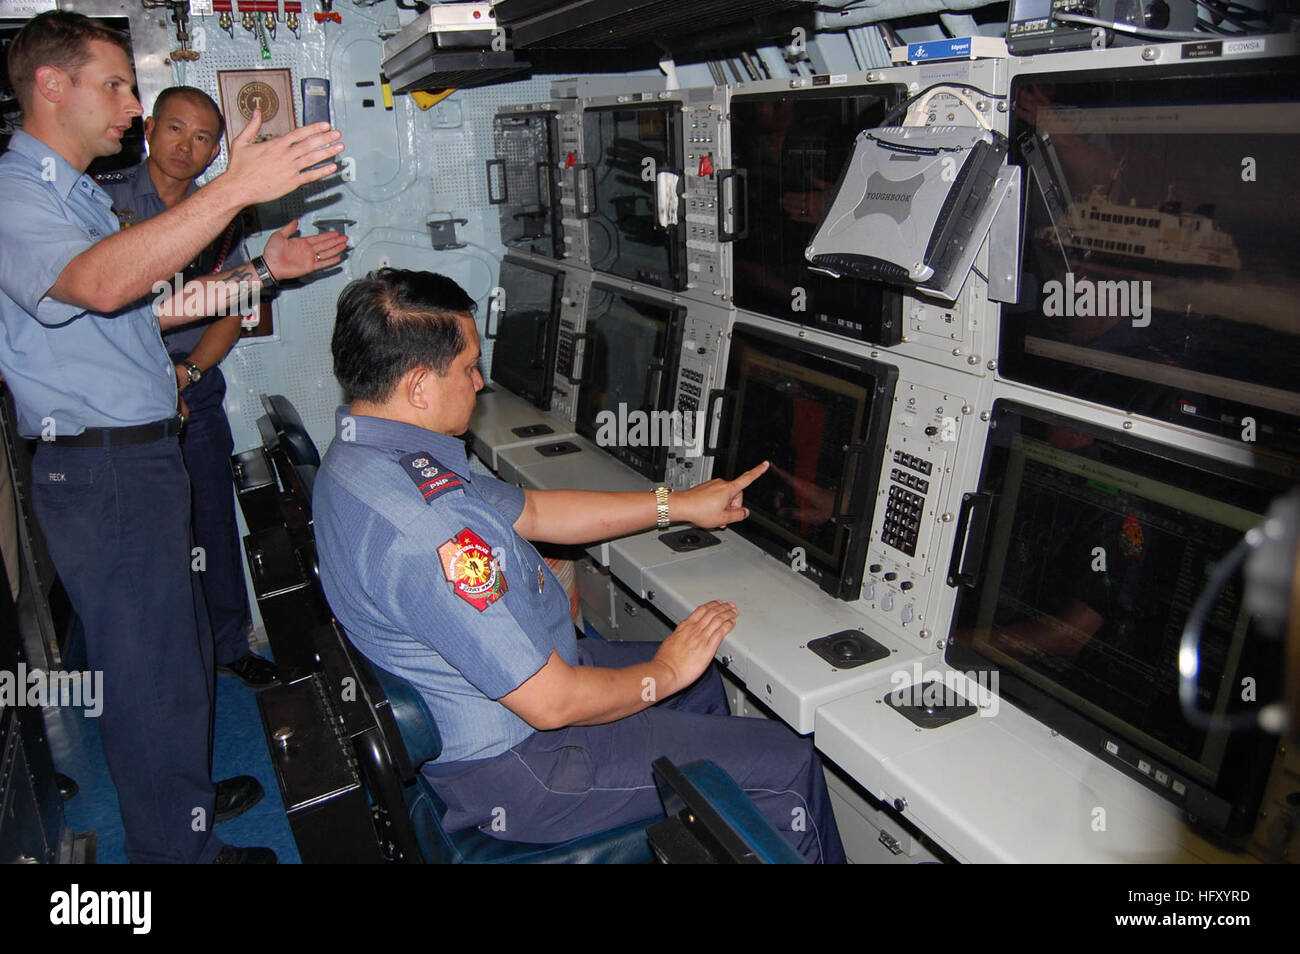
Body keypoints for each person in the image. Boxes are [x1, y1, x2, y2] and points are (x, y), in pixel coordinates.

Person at [313, 269, 846, 863]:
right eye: (466, 368)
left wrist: (680, 504)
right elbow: (553, 704)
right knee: (788, 762)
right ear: (418, 386)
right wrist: (664, 670)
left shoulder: (366, 456)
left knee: (702, 686)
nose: (480, 381)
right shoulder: (428, 528)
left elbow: (537, 510)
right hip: (527, 768)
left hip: (510, 703)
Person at [0, 11, 344, 863]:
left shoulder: (75, 193)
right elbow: (103, 284)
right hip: (103, 471)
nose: (130, 104)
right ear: (52, 84)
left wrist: (264, 271)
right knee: (152, 680)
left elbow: (150, 311)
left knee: (179, 658)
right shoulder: (17, 197)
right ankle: (173, 855)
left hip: (142, 457)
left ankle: (179, 812)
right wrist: (233, 188)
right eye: (115, 84)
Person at [95, 86, 336, 689]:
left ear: (213, 153)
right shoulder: (101, 201)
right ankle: (163, 664)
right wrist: (153, 380)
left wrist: (189, 373)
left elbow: (236, 301)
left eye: (203, 138)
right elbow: (100, 306)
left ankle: (229, 644)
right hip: (119, 398)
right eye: (176, 129)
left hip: (193, 385)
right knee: (142, 541)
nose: (187, 146)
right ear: (148, 129)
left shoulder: (221, 216)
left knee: (211, 525)